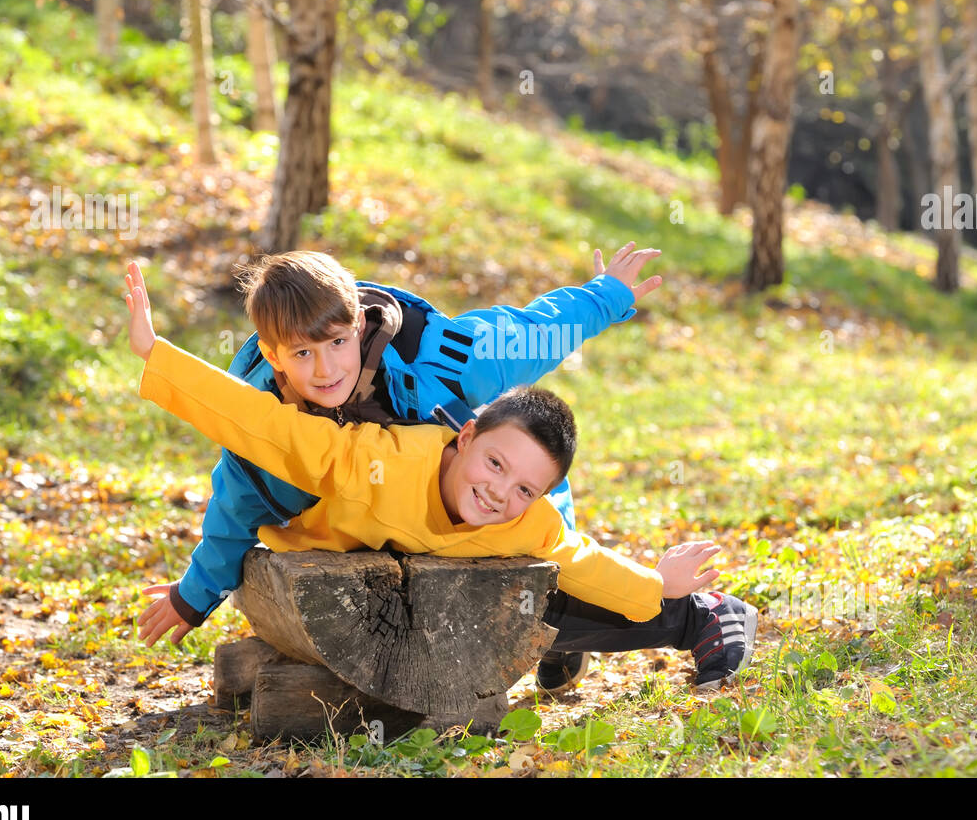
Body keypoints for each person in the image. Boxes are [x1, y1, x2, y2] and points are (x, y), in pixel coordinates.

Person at [124, 263, 759, 691]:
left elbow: (530, 337)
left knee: (537, 570)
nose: (324, 369)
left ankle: (583, 631)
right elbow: (235, 508)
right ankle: (567, 630)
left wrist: (606, 296)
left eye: (337, 343)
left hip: (504, 478)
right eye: (301, 354)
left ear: (360, 323)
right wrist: (192, 595)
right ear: (271, 354)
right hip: (398, 512)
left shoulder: (441, 358)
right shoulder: (268, 434)